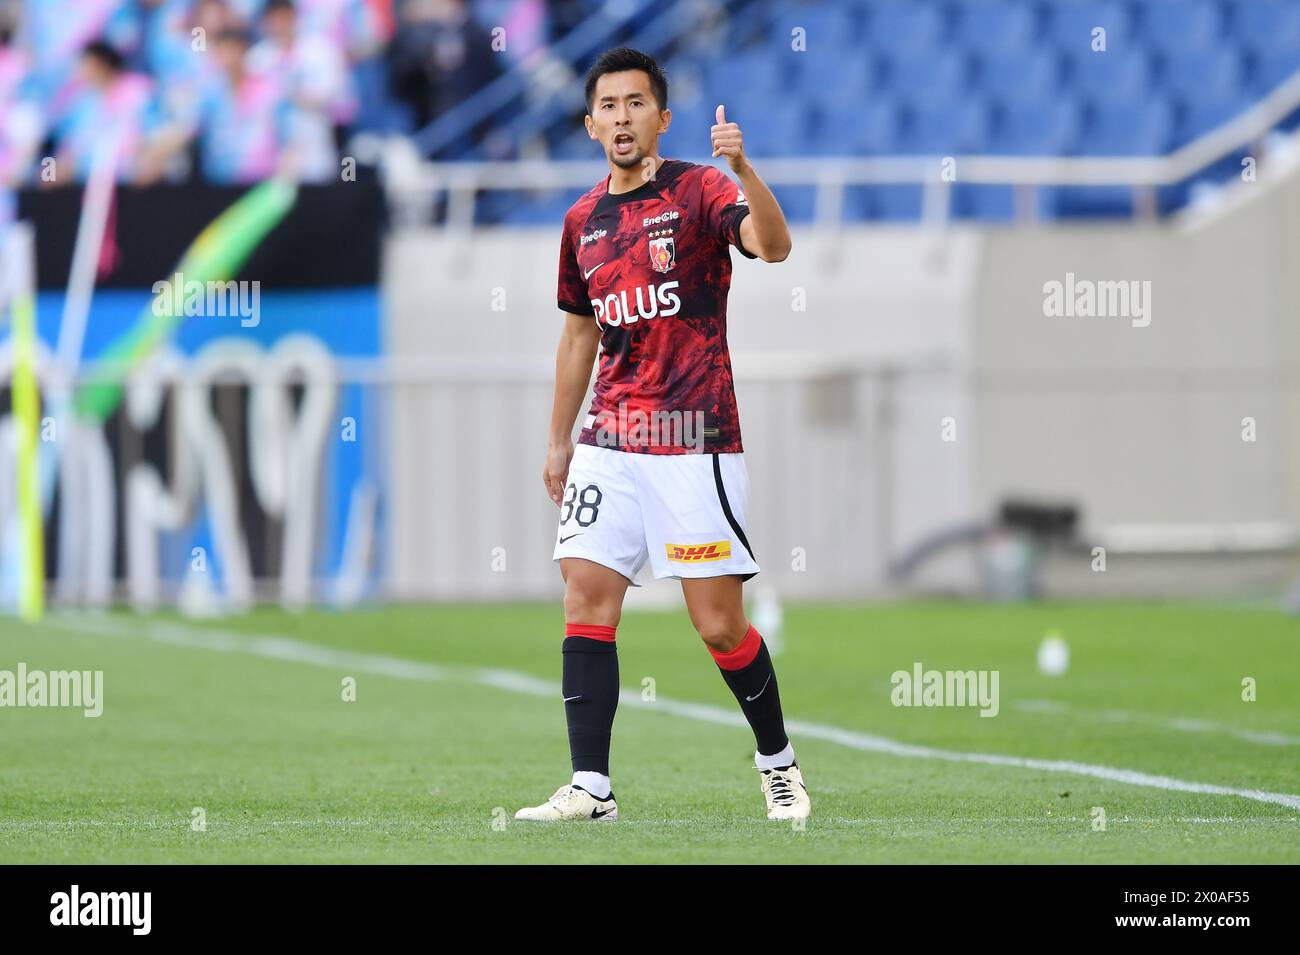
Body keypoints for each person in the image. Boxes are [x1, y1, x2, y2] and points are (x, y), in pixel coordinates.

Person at [516, 48, 808, 823]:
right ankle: (592, 786)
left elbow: (774, 248)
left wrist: (746, 170)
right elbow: (580, 336)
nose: (621, 117)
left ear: (661, 118)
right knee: (585, 592)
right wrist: (558, 440)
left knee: (717, 622)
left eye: (636, 103)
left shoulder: (701, 189)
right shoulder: (582, 221)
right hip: (610, 434)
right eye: (608, 105)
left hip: (692, 433)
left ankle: (777, 761)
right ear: (589, 124)